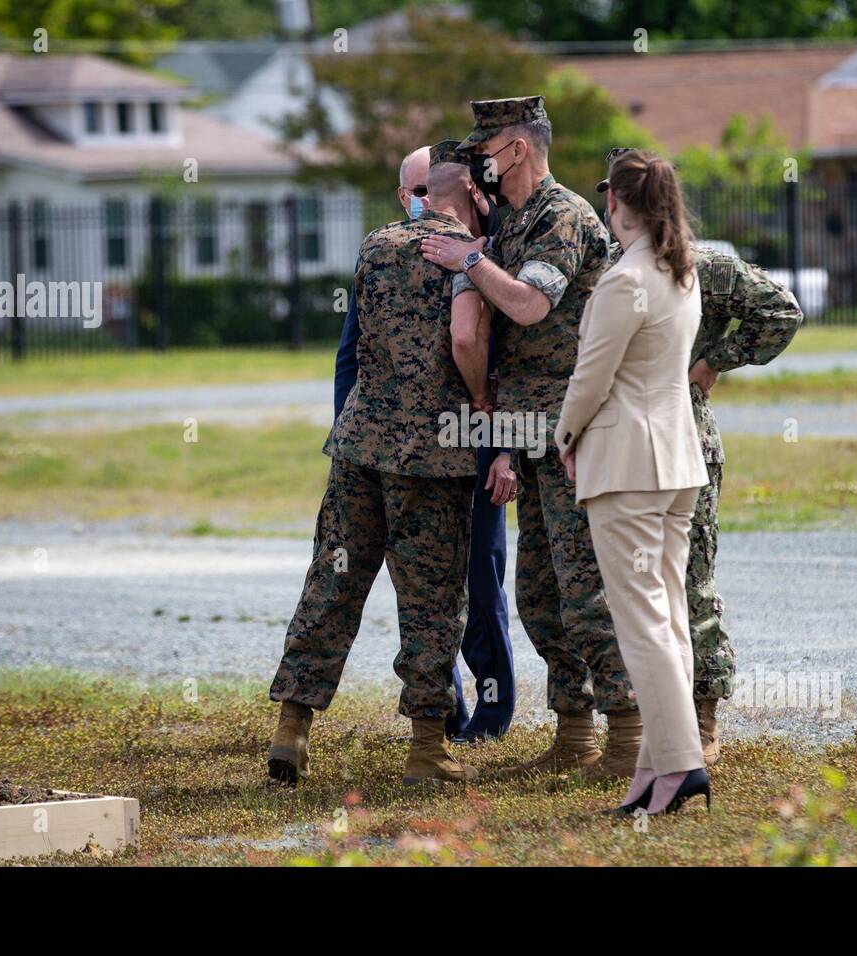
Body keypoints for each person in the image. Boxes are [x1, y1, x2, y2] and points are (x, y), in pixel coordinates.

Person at [422, 96, 640, 780]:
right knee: (541, 596)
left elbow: (530, 303)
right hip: (533, 433)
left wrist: (468, 260)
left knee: (590, 592)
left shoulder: (563, 217)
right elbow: (512, 349)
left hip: (582, 433)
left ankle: (630, 736)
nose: (478, 161)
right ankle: (575, 732)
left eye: (486, 148)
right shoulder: (513, 221)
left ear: (517, 149)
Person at [266, 145, 496, 785]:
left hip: (360, 448)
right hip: (432, 456)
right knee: (431, 599)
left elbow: (362, 340)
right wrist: (481, 396)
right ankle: (428, 746)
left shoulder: (376, 244)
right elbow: (465, 337)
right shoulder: (471, 258)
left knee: (331, 585)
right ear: (471, 194)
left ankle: (292, 728)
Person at [598, 148, 804, 765]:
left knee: (690, 584)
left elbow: (782, 311)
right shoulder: (608, 267)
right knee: (632, 593)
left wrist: (715, 361)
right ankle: (645, 729)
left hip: (685, 439)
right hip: (624, 445)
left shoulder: (703, 267)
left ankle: (703, 721)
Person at [333, 146, 518, 741]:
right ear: (401, 198)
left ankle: (490, 714)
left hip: (469, 445)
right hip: (394, 454)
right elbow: (352, 360)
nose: (421, 205)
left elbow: (499, 365)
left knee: (479, 582)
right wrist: (356, 449)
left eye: (428, 192)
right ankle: (446, 715)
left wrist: (497, 449)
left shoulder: (487, 256)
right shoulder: (385, 254)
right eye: (411, 194)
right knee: (424, 588)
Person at [556, 148, 709, 816]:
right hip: (676, 462)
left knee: (642, 621)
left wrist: (564, 436)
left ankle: (679, 768)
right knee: (668, 616)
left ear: (616, 200)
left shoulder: (625, 280)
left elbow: (591, 376)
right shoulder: (681, 272)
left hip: (627, 466)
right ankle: (655, 771)